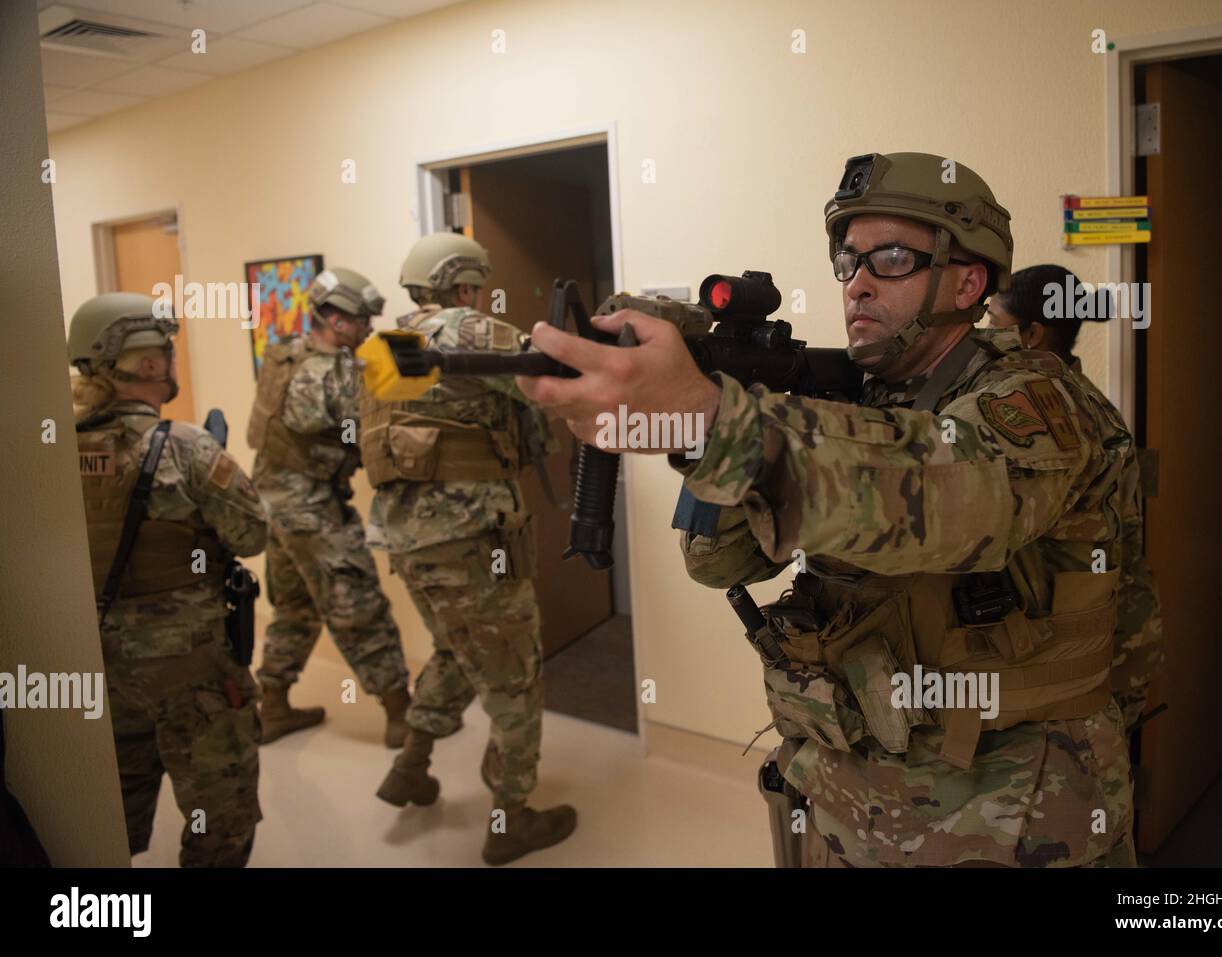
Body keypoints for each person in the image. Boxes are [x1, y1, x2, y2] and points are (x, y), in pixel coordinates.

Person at [516, 152, 1136, 867]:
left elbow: (954, 494)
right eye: (848, 261)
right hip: (848, 802)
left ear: (968, 282)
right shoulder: (854, 401)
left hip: (1015, 823)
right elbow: (716, 561)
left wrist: (721, 419)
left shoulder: (1040, 396)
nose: (858, 282)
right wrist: (711, 430)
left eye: (893, 258)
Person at [361, 233, 576, 865]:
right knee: (516, 679)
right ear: (461, 285)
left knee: (455, 653)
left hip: (409, 545)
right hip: (473, 545)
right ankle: (511, 821)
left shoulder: (383, 349)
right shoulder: (470, 331)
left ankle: (411, 767)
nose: (479, 297)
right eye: (476, 286)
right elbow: (554, 382)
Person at [69, 292, 265, 866]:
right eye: (166, 351)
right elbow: (252, 537)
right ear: (148, 363)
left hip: (97, 661)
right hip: (188, 669)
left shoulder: (47, 448)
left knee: (114, 810)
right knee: (220, 816)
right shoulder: (184, 445)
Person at [986, 265, 1165, 732]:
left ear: (1031, 333)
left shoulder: (1052, 412)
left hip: (1096, 646)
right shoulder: (1080, 397)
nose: (984, 336)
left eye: (993, 323)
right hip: (1113, 629)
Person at [248, 268, 411, 746]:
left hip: (272, 503)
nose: (367, 330)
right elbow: (365, 427)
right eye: (361, 321)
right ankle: (401, 713)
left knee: (297, 607)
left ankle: (273, 706)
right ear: (335, 319)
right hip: (309, 508)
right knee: (357, 604)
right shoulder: (327, 373)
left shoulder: (284, 353)